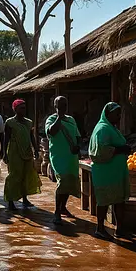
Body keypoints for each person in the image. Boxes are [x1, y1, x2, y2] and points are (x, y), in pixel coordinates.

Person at [88, 102, 132, 239]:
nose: (119, 116)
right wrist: (120, 149)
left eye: (120, 113)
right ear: (108, 114)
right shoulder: (103, 129)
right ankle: (100, 228)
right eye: (116, 114)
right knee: (104, 201)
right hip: (106, 173)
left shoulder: (111, 128)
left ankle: (120, 229)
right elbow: (100, 150)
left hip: (116, 173)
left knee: (119, 200)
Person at [46, 96, 82, 225]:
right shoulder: (51, 119)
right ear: (55, 107)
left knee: (70, 181)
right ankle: (56, 211)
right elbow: (51, 132)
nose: (62, 108)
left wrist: (78, 146)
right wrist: (59, 118)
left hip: (71, 157)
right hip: (59, 156)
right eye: (59, 106)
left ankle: (63, 207)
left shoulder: (71, 120)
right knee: (62, 181)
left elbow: (78, 135)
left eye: (64, 106)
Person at [2, 99, 41, 211]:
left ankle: (25, 199)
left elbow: (31, 136)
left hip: (27, 151)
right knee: (14, 176)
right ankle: (10, 201)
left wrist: (36, 149)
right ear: (15, 109)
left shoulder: (29, 122)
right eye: (21, 108)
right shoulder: (10, 122)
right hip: (14, 152)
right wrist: (5, 153)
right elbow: (6, 139)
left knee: (26, 175)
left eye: (24, 108)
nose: (24, 110)